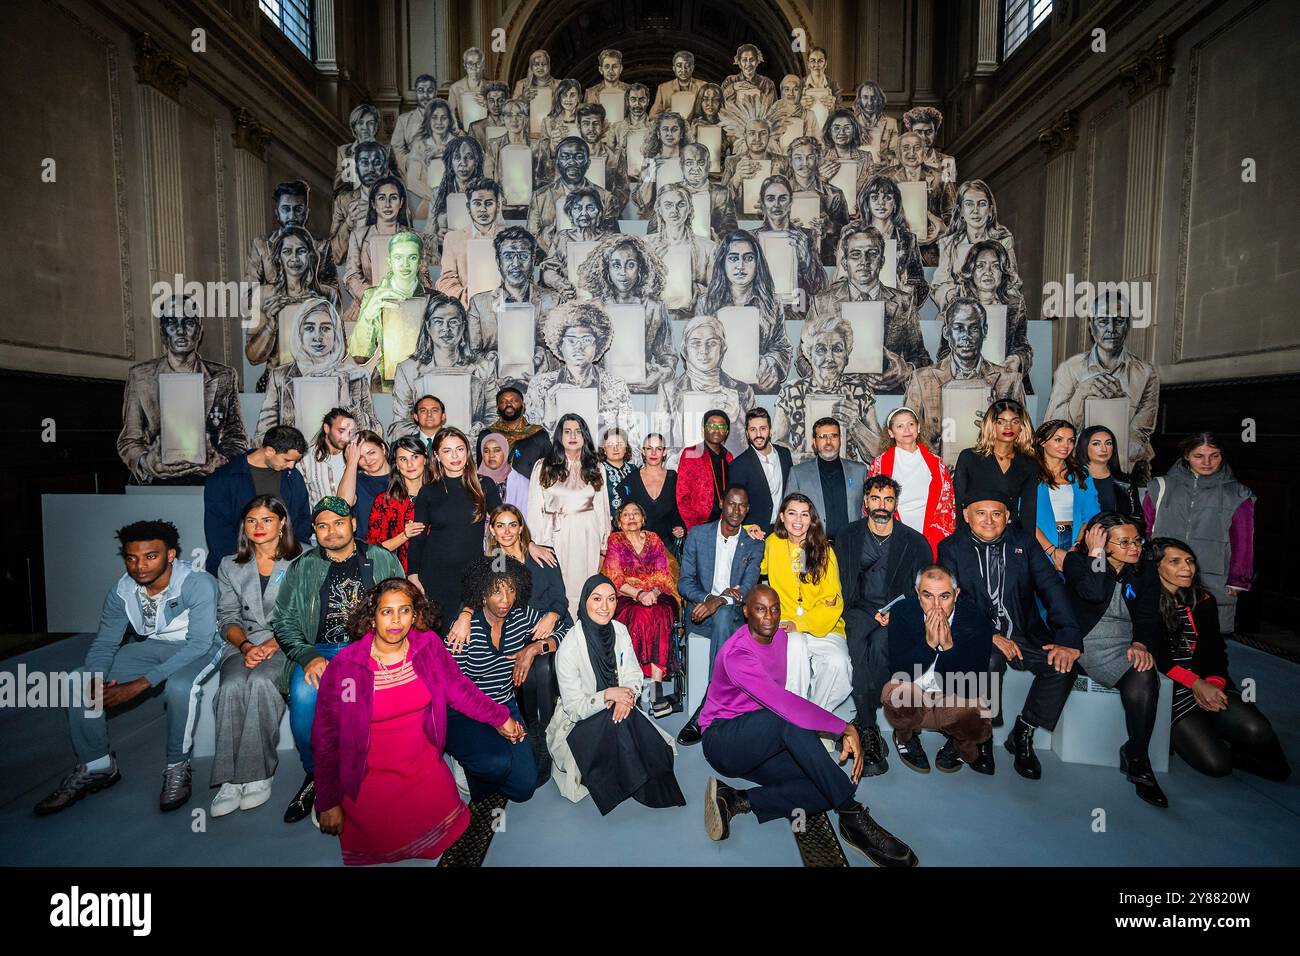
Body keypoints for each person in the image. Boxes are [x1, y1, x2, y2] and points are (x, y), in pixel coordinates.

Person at [699, 585, 918, 867]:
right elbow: (783, 704)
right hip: (724, 741)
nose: (769, 616)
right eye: (760, 609)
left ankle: (737, 799)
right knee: (788, 721)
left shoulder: (779, 637)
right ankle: (853, 817)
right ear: (745, 612)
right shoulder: (737, 655)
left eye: (775, 608)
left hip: (762, 738)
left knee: (824, 785)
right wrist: (844, 727)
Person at [312, 578, 526, 864]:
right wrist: (328, 800)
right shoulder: (347, 668)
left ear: (416, 615)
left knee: (447, 836)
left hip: (422, 764)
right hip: (368, 773)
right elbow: (326, 738)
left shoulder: (427, 647)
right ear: (372, 617)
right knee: (381, 845)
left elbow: (459, 690)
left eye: (405, 610)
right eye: (387, 612)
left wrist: (501, 718)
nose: (396, 620)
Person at [35, 521, 220, 816]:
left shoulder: (197, 583)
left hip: (201, 647)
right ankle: (97, 765)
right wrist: (96, 679)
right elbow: (106, 641)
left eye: (151, 556)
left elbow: (199, 644)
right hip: (153, 647)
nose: (140, 566)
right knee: (79, 679)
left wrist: (141, 683)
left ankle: (177, 766)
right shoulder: (122, 590)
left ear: (170, 555)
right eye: (131, 558)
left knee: (179, 687)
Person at [273, 497, 405, 824]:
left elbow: (403, 607)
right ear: (314, 530)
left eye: (339, 523)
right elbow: (284, 620)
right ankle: (318, 776)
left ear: (353, 524)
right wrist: (308, 656)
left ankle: (368, 774)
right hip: (319, 650)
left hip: (369, 649)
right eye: (323, 526)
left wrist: (386, 649)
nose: (331, 532)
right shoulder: (303, 567)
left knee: (369, 710)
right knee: (304, 703)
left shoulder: (380, 558)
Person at [938, 489, 1081, 781]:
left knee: (1063, 667)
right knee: (989, 658)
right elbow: (949, 600)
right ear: (966, 516)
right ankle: (982, 736)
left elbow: (1052, 588)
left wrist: (1067, 637)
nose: (989, 520)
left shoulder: (1024, 544)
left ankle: (1023, 733)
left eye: (997, 513)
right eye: (980, 513)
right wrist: (987, 633)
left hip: (1024, 633)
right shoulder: (951, 547)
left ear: (1008, 517)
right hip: (978, 633)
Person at [1147, 537, 1289, 781]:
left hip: (1206, 680)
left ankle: (1215, 725)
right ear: (1156, 566)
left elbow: (1215, 652)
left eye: (1190, 561)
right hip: (1170, 690)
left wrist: (1213, 684)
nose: (1187, 568)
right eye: (1175, 561)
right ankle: (1198, 731)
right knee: (1217, 766)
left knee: (1259, 733)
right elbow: (1160, 658)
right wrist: (1196, 685)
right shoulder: (1144, 602)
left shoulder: (1202, 601)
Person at [545, 575, 687, 813]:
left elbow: (633, 674)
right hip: (581, 721)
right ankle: (646, 786)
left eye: (611, 599)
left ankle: (636, 780)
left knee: (623, 718)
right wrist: (609, 695)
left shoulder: (619, 630)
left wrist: (627, 697)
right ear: (584, 602)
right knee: (624, 725)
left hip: (620, 704)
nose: (605, 607)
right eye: (597, 599)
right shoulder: (570, 646)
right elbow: (575, 708)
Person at [1061, 513, 1167, 807]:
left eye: (1136, 540)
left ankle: (1137, 756)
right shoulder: (1077, 563)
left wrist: (1141, 644)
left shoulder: (1144, 572)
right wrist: (1095, 554)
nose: (1134, 547)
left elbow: (1148, 615)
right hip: (1084, 643)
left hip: (1124, 644)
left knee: (1145, 674)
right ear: (1102, 542)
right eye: (1124, 542)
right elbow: (1093, 593)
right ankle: (1137, 756)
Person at [208, 496, 302, 816]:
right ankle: (229, 780)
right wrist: (247, 647)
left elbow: (306, 615)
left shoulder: (303, 559)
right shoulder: (229, 565)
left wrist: (273, 645)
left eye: (266, 520)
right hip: (243, 643)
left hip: (287, 642)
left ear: (282, 523)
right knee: (231, 687)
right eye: (251, 520)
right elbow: (227, 617)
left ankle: (258, 775)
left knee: (262, 684)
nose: (259, 527)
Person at [446, 556, 568, 800]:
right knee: (496, 764)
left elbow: (565, 630)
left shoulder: (521, 615)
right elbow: (455, 692)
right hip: (466, 712)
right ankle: (463, 756)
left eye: (511, 590)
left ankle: (488, 758)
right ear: (482, 594)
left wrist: (535, 648)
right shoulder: (464, 630)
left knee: (524, 788)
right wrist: (498, 721)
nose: (505, 599)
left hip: (505, 704)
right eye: (496, 591)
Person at [834, 476, 933, 774]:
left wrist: (902, 612)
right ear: (865, 502)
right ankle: (868, 726)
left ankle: (865, 725)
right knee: (854, 649)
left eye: (888, 500)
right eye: (875, 499)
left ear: (895, 504)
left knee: (881, 647)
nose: (881, 506)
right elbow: (837, 580)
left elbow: (925, 589)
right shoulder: (847, 536)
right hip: (857, 609)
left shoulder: (915, 542)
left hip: (897, 612)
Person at [117, 296, 247, 483]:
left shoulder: (224, 376)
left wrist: (220, 460)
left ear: (200, 332)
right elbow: (129, 440)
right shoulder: (140, 377)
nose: (180, 330)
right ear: (162, 333)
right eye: (171, 323)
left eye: (189, 322)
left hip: (209, 478)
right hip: (158, 481)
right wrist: (147, 462)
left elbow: (237, 437)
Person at [882, 565, 995, 774]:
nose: (936, 606)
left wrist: (949, 648)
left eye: (944, 596)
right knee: (895, 694)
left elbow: (973, 685)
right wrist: (928, 646)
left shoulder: (976, 619)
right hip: (916, 694)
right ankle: (906, 736)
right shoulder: (902, 612)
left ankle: (958, 744)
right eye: (927, 596)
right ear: (917, 592)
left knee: (977, 715)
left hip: (952, 695)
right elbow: (898, 671)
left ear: (956, 594)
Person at [675, 485, 764, 745]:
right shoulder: (698, 535)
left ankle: (708, 704)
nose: (736, 510)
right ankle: (722, 707)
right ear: (722, 504)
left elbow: (747, 588)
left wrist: (719, 602)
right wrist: (708, 600)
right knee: (720, 614)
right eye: (731, 504)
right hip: (700, 616)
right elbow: (684, 582)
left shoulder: (753, 544)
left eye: (742, 506)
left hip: (733, 615)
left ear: (747, 510)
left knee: (724, 615)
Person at [1144, 432, 1255, 636]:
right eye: (1199, 456)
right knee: (1161, 635)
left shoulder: (1238, 494)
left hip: (1214, 577)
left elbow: (1243, 542)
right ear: (1186, 455)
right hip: (1165, 575)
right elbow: (1145, 532)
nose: (1207, 462)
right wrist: (1144, 569)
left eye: (1214, 455)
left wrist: (1239, 579)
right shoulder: (1160, 487)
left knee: (1209, 641)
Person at [1045, 289, 1159, 481]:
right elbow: (1053, 427)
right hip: (1077, 467)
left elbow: (1140, 432)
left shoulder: (1146, 373)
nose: (1111, 329)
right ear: (1091, 326)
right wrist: (1081, 394)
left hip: (1127, 469)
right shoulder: (1070, 369)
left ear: (1128, 325)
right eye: (1103, 321)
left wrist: (1107, 462)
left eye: (1119, 320)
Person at [407, 426, 503, 637]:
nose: (455, 456)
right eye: (447, 451)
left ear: (467, 451)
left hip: (472, 574)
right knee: (436, 640)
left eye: (459, 449)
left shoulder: (484, 485)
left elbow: (504, 525)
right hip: (434, 575)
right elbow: (418, 537)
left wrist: (525, 547)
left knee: (469, 639)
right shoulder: (428, 491)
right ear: (437, 456)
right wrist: (412, 575)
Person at [902, 298, 1026, 460]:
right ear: (947, 332)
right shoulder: (922, 379)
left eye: (973, 328)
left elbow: (1024, 439)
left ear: (985, 330)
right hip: (939, 474)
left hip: (991, 470)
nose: (966, 336)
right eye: (959, 328)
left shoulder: (1009, 380)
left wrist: (997, 425)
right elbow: (906, 437)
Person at [762, 493, 852, 714]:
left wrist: (801, 623)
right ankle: (792, 715)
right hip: (785, 622)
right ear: (782, 517)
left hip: (823, 625)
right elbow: (757, 564)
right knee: (795, 646)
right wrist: (747, 531)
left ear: (812, 520)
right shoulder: (773, 544)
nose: (798, 520)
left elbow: (833, 601)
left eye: (804, 514)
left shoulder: (825, 551)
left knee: (839, 664)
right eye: (792, 513)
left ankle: (816, 717)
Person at [811, 223, 931, 384]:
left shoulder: (904, 302)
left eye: (872, 253)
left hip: (887, 395)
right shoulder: (822, 302)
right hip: (839, 394)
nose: (864, 261)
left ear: (881, 261)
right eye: (855, 254)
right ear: (845, 263)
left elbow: (921, 357)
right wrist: (828, 370)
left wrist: (907, 369)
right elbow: (803, 360)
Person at [255, 297, 376, 442]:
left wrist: (351, 406)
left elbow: (374, 432)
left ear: (336, 333)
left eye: (325, 328)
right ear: (299, 333)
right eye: (309, 328)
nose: (318, 337)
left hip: (343, 457)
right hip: (295, 459)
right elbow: (262, 435)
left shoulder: (355, 376)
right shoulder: (280, 376)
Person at [775, 312, 888, 465]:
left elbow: (880, 454)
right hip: (805, 476)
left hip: (846, 476)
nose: (829, 358)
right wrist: (796, 457)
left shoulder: (859, 392)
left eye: (837, 349)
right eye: (821, 349)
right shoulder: (792, 391)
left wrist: (856, 426)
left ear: (847, 354)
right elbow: (776, 443)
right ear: (808, 354)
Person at [527, 414, 611, 618]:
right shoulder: (543, 466)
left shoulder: (596, 467)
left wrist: (603, 547)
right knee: (555, 587)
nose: (573, 436)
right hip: (553, 535)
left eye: (578, 431)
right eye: (567, 431)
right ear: (559, 436)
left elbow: (602, 508)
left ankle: (582, 636)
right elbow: (534, 509)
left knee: (584, 585)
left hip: (586, 534)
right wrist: (533, 543)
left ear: (585, 436)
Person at [524, 301, 641, 447]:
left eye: (586, 340)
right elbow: (530, 448)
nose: (578, 347)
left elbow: (632, 443)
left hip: (601, 465)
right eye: (571, 340)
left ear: (598, 344)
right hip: (556, 465)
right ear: (560, 344)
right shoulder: (541, 386)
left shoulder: (615, 387)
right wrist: (548, 421)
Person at [245, 224, 343, 392]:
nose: (295, 258)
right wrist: (270, 325)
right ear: (278, 258)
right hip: (276, 383)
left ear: (311, 256)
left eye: (301, 251)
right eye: (287, 251)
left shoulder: (328, 295)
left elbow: (340, 348)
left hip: (318, 380)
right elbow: (253, 357)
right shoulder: (263, 295)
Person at [574, 233, 676, 394]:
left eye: (630, 265)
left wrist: (662, 374)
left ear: (641, 268)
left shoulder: (655, 307)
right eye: (616, 265)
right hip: (603, 391)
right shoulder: (593, 308)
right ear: (606, 269)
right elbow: (580, 356)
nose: (623, 272)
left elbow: (667, 355)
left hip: (644, 387)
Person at [203, 425, 312, 573]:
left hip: (284, 568)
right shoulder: (223, 480)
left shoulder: (293, 477)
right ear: (269, 451)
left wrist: (294, 561)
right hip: (237, 568)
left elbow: (301, 521)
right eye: (287, 459)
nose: (292, 466)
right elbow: (218, 533)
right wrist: (243, 568)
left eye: (295, 461)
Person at [698, 230, 794, 393]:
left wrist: (771, 363)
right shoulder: (706, 302)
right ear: (723, 262)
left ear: (758, 263)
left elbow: (781, 346)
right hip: (717, 389)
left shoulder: (772, 302)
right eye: (733, 258)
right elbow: (695, 346)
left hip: (758, 387)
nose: (740, 266)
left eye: (748, 258)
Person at [390, 293, 496, 441]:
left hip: (469, 449)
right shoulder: (408, 370)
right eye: (439, 322)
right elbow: (400, 424)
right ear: (428, 326)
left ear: (463, 325)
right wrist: (431, 434)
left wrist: (481, 428)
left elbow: (494, 416)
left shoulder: (484, 368)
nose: (446, 329)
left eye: (453, 322)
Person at [602, 501, 681, 688]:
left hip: (657, 593)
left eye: (635, 513)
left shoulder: (654, 539)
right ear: (619, 522)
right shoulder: (615, 541)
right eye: (626, 514)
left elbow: (663, 574)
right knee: (639, 615)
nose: (631, 517)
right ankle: (632, 682)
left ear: (643, 518)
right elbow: (615, 578)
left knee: (661, 612)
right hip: (627, 595)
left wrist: (652, 593)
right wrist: (639, 595)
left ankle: (656, 686)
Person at [654, 314, 755, 457]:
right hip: (686, 473)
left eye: (712, 343)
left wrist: (737, 418)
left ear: (722, 348)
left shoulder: (743, 392)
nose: (704, 350)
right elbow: (662, 446)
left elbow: (750, 449)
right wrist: (687, 466)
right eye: (696, 343)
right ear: (685, 349)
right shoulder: (668, 391)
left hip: (728, 474)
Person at [465, 227, 559, 378]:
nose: (516, 264)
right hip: (495, 384)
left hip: (539, 380)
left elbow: (561, 351)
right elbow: (471, 353)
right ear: (498, 261)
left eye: (523, 256)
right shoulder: (479, 304)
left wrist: (545, 356)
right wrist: (487, 361)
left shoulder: (553, 301)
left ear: (534, 259)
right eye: (508, 256)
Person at [348, 231, 434, 391]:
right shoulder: (372, 296)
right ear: (389, 261)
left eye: (412, 257)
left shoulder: (434, 299)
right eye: (398, 258)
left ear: (421, 263)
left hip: (424, 381)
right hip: (385, 382)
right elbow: (359, 356)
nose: (405, 264)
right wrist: (368, 316)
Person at [867, 406, 955, 557]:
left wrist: (935, 537)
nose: (906, 430)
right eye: (900, 426)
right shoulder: (879, 464)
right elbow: (871, 503)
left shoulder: (936, 464)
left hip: (930, 532)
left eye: (911, 424)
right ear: (890, 432)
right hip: (893, 533)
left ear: (918, 428)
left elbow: (947, 503)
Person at [946, 239, 1032, 388]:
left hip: (1003, 379)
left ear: (1003, 272)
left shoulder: (1015, 305)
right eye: (980, 265)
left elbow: (1022, 346)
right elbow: (944, 351)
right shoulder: (957, 305)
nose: (988, 271)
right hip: (964, 381)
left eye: (995, 266)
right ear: (971, 271)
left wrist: (1016, 359)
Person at [930, 180, 1020, 310]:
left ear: (990, 210)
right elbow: (940, 283)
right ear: (961, 211)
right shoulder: (949, 243)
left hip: (994, 309)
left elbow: (1012, 280)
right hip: (961, 311)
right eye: (969, 204)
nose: (975, 210)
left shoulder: (1003, 240)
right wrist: (952, 297)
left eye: (981, 204)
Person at [952, 399, 1038, 535]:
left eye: (1015, 421)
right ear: (991, 425)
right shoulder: (969, 457)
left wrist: (1028, 549)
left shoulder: (1028, 464)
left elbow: (1029, 512)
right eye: (1001, 421)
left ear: (1022, 426)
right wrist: (959, 540)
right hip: (973, 535)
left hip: (1011, 536)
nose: (1008, 427)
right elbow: (958, 504)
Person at [1027, 420, 1100, 572]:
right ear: (1041, 442)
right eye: (1058, 439)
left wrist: (1077, 546)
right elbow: (1025, 518)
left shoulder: (1082, 472)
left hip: (1077, 542)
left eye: (1071, 440)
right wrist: (1052, 551)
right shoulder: (1029, 472)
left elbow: (1092, 515)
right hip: (1039, 543)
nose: (1066, 445)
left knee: (1082, 591)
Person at [526, 137, 620, 254]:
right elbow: (530, 239)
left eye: (579, 157)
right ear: (556, 162)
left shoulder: (606, 198)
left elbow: (613, 242)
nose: (572, 162)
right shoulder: (540, 197)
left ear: (588, 162)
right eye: (565, 157)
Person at [341, 175, 413, 324]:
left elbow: (422, 274)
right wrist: (372, 294)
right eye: (381, 198)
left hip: (405, 303)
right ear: (373, 203)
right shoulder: (358, 236)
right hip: (366, 304)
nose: (387, 204)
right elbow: (351, 275)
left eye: (393, 198)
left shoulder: (412, 237)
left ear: (401, 203)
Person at [785, 418, 869, 544]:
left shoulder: (859, 471)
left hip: (851, 545)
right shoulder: (798, 473)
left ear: (840, 439)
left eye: (833, 436)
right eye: (822, 437)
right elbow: (788, 512)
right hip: (813, 545)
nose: (828, 442)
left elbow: (864, 510)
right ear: (814, 442)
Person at [754, 174, 826, 315]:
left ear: (791, 202)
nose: (776, 204)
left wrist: (805, 256)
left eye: (782, 198)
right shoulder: (752, 238)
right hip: (762, 311)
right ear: (762, 203)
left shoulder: (806, 236)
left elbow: (820, 287)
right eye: (770, 199)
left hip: (798, 311)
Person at [854, 173, 929, 307]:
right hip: (859, 305)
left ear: (895, 203)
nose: (881, 203)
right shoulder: (852, 233)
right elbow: (841, 277)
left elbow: (920, 283)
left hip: (896, 306)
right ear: (867, 202)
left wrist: (909, 288)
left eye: (887, 197)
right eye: (875, 197)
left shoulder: (908, 238)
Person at [647, 183, 718, 320]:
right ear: (659, 210)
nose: (674, 210)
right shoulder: (646, 246)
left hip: (694, 317)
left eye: (680, 205)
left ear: (690, 209)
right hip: (656, 318)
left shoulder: (708, 248)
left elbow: (714, 292)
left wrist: (698, 290)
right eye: (668, 205)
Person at [434, 176, 506, 306]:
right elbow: (446, 280)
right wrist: (467, 297)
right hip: (467, 306)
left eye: (489, 203)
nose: (483, 209)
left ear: (498, 206)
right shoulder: (453, 238)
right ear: (468, 207)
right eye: (477, 203)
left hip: (501, 304)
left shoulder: (508, 237)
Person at [538, 188, 617, 299]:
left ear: (599, 213)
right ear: (570, 214)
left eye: (590, 208)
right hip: (570, 299)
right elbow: (548, 270)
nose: (583, 213)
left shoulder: (610, 240)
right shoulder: (562, 238)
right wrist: (559, 283)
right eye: (577, 208)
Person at [366, 435, 428, 572]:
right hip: (398, 575)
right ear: (397, 465)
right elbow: (373, 551)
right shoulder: (384, 501)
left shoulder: (440, 495)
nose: (410, 464)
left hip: (436, 573)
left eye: (415, 457)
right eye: (403, 459)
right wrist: (404, 535)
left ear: (425, 459)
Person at [728, 407, 793, 534]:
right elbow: (735, 505)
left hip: (784, 530)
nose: (758, 434)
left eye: (763, 428)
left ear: (770, 431)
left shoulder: (784, 455)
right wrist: (747, 529)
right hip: (755, 534)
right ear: (747, 433)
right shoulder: (738, 465)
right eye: (753, 430)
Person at [425, 135, 488, 264]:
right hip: (447, 256)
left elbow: (499, 229)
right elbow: (428, 234)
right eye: (457, 157)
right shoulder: (438, 193)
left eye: (469, 157)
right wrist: (437, 238)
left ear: (476, 161)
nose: (463, 163)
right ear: (450, 162)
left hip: (478, 256)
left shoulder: (488, 192)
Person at [621, 433, 686, 554]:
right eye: (649, 448)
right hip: (637, 549)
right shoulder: (630, 480)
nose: (654, 453)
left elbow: (681, 510)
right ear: (643, 451)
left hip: (667, 548)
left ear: (665, 452)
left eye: (659, 449)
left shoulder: (674, 478)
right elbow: (621, 516)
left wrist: (681, 527)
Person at [676, 409, 736, 532]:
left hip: (724, 526)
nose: (716, 430)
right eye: (711, 425)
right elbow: (682, 496)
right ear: (703, 429)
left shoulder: (729, 457)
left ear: (726, 431)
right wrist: (693, 526)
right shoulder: (691, 453)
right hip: (700, 526)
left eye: (721, 426)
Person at [1077, 424, 1144, 533]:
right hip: (1078, 541)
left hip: (1115, 542)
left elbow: (1136, 519)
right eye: (1096, 444)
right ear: (1084, 446)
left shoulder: (1124, 482)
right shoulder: (1072, 479)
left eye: (1108, 443)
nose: (1104, 449)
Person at [482, 385, 553, 481]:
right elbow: (481, 473)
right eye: (503, 402)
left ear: (523, 405)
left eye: (514, 401)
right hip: (495, 492)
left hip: (529, 492)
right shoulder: (487, 435)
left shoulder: (538, 434)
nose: (508, 404)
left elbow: (549, 469)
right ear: (497, 407)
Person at [297, 407, 356, 508]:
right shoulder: (306, 459)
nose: (346, 437)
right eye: (341, 431)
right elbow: (299, 498)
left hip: (349, 520)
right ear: (327, 428)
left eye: (350, 432)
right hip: (319, 521)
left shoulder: (356, 454)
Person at [337, 430, 390, 542]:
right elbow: (342, 504)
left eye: (371, 453)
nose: (368, 460)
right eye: (360, 457)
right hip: (367, 550)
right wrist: (352, 461)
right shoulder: (356, 481)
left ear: (383, 448)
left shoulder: (403, 475)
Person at [391, 74, 438, 168]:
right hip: (412, 170)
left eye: (430, 91)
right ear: (415, 93)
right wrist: (411, 163)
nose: (425, 95)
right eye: (421, 90)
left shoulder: (446, 119)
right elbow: (397, 149)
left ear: (436, 93)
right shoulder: (403, 120)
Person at [902, 105, 956, 184]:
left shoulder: (947, 161)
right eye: (918, 132)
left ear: (936, 133)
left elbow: (949, 194)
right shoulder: (899, 160)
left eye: (929, 132)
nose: (923, 137)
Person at [478, 431, 529, 511]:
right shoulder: (473, 481)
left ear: (505, 452)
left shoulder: (522, 483)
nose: (491, 455)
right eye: (486, 451)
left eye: (497, 450)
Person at [851, 81, 898, 167]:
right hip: (857, 169)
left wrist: (887, 161)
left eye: (873, 98)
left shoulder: (891, 123)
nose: (869, 102)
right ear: (859, 100)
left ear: (879, 100)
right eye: (865, 97)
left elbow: (894, 152)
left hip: (881, 169)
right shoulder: (851, 123)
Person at [651, 50, 706, 118]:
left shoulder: (703, 86)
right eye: (679, 65)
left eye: (687, 65)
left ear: (692, 68)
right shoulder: (663, 88)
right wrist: (667, 115)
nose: (683, 70)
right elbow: (652, 115)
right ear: (674, 68)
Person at [721, 43, 776, 110]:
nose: (748, 63)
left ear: (757, 61)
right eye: (744, 60)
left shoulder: (767, 83)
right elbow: (720, 103)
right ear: (739, 62)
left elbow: (772, 109)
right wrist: (732, 87)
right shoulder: (730, 81)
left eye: (752, 59)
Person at [599, 426, 637, 518]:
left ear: (625, 448)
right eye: (610, 445)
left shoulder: (635, 470)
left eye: (620, 444)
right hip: (608, 526)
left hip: (633, 524)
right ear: (604, 449)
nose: (615, 448)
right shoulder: (598, 471)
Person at [448, 46, 488, 128]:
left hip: (485, 130)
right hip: (464, 131)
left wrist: (488, 104)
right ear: (465, 65)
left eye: (478, 63)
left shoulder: (490, 86)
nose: (474, 67)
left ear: (483, 65)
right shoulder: (455, 88)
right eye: (470, 63)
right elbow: (450, 113)